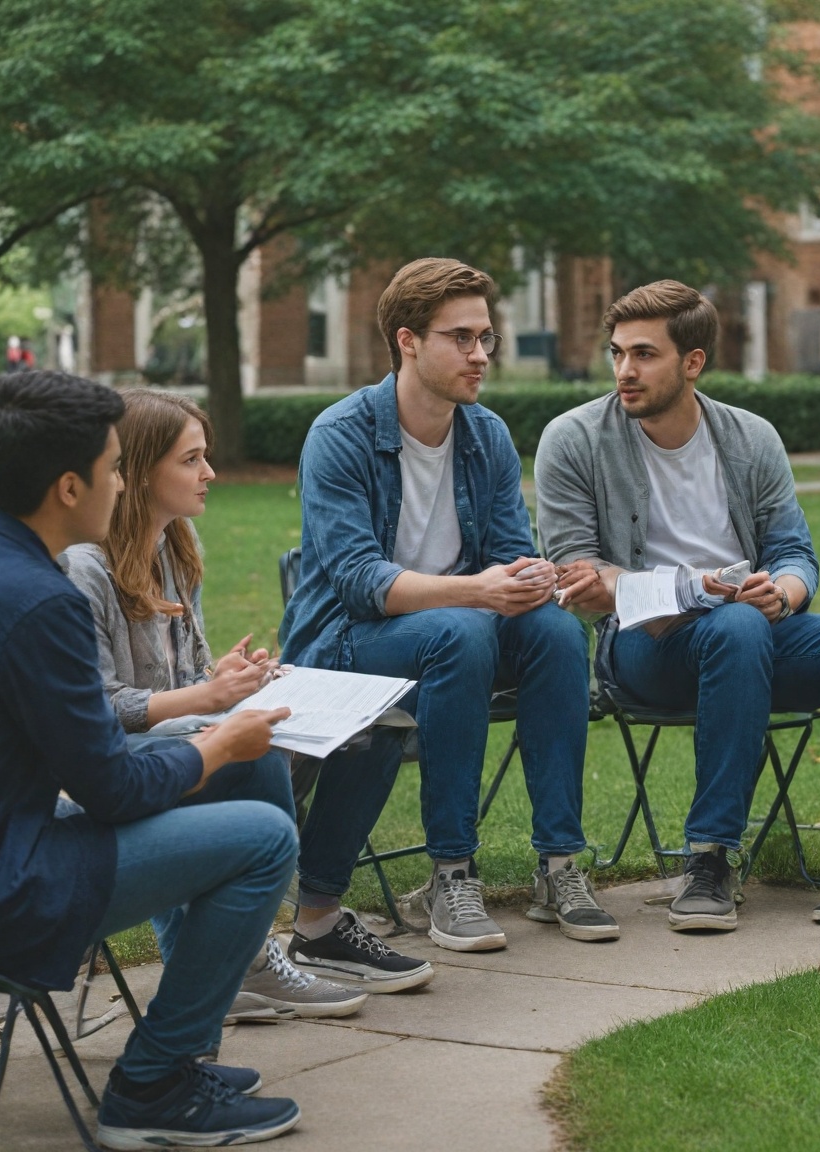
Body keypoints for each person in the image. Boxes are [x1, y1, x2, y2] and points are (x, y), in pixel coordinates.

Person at [0, 371, 302, 1147]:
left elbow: (89, 759)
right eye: (117, 468)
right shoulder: (39, 598)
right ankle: (152, 1085)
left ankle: (182, 1051)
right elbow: (113, 788)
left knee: (243, 773)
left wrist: (215, 741)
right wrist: (217, 739)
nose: (124, 485)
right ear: (67, 486)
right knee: (265, 837)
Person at [280, 257, 608, 967]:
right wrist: (477, 592)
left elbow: (510, 553)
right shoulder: (341, 433)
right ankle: (451, 877)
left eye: (485, 337)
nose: (481, 354)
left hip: (458, 632)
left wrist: (537, 577)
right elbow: (360, 581)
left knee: (553, 629)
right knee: (459, 632)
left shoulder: (484, 435)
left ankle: (559, 865)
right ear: (407, 341)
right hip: (344, 639)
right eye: (461, 338)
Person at [537, 280, 820, 932]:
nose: (624, 370)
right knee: (733, 625)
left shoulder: (752, 438)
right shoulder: (574, 439)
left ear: (693, 361)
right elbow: (574, 571)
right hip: (645, 641)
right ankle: (710, 856)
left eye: (644, 354)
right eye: (617, 353)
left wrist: (780, 591)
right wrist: (691, 589)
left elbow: (794, 553)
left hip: (756, 629)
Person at [59, 388, 368, 1021]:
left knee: (316, 738)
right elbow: (96, 706)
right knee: (243, 760)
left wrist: (226, 674)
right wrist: (208, 697)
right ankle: (240, 961)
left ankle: (229, 963)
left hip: (166, 740)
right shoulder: (85, 568)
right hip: (96, 764)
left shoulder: (174, 546)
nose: (211, 473)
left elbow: (184, 674)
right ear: (142, 473)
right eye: (192, 460)